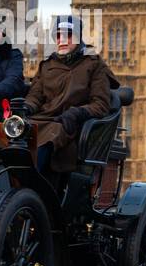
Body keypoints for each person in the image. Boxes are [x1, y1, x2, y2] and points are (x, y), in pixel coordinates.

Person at [23, 16, 117, 177]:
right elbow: (35, 96)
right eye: (58, 36)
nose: (62, 40)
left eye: (68, 35)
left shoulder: (94, 64)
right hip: (43, 119)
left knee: (46, 139)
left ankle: (31, 183)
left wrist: (76, 113)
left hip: (70, 125)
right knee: (14, 134)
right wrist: (26, 107)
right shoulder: (47, 65)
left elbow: (100, 104)